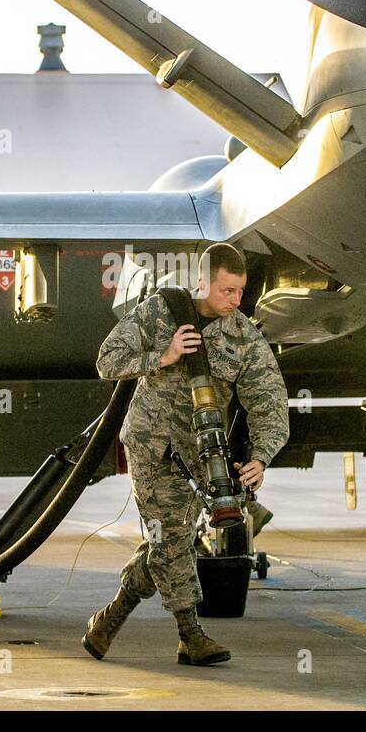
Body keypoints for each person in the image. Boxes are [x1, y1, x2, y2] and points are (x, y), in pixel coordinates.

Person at [85, 242, 289, 665]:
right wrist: (165, 355)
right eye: (226, 291)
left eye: (240, 291)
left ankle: (109, 619)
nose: (235, 301)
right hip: (152, 446)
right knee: (173, 538)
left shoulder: (243, 336)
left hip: (201, 459)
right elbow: (107, 361)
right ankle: (189, 634)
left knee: (168, 540)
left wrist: (262, 457)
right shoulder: (163, 312)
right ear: (202, 282)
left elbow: (269, 399)